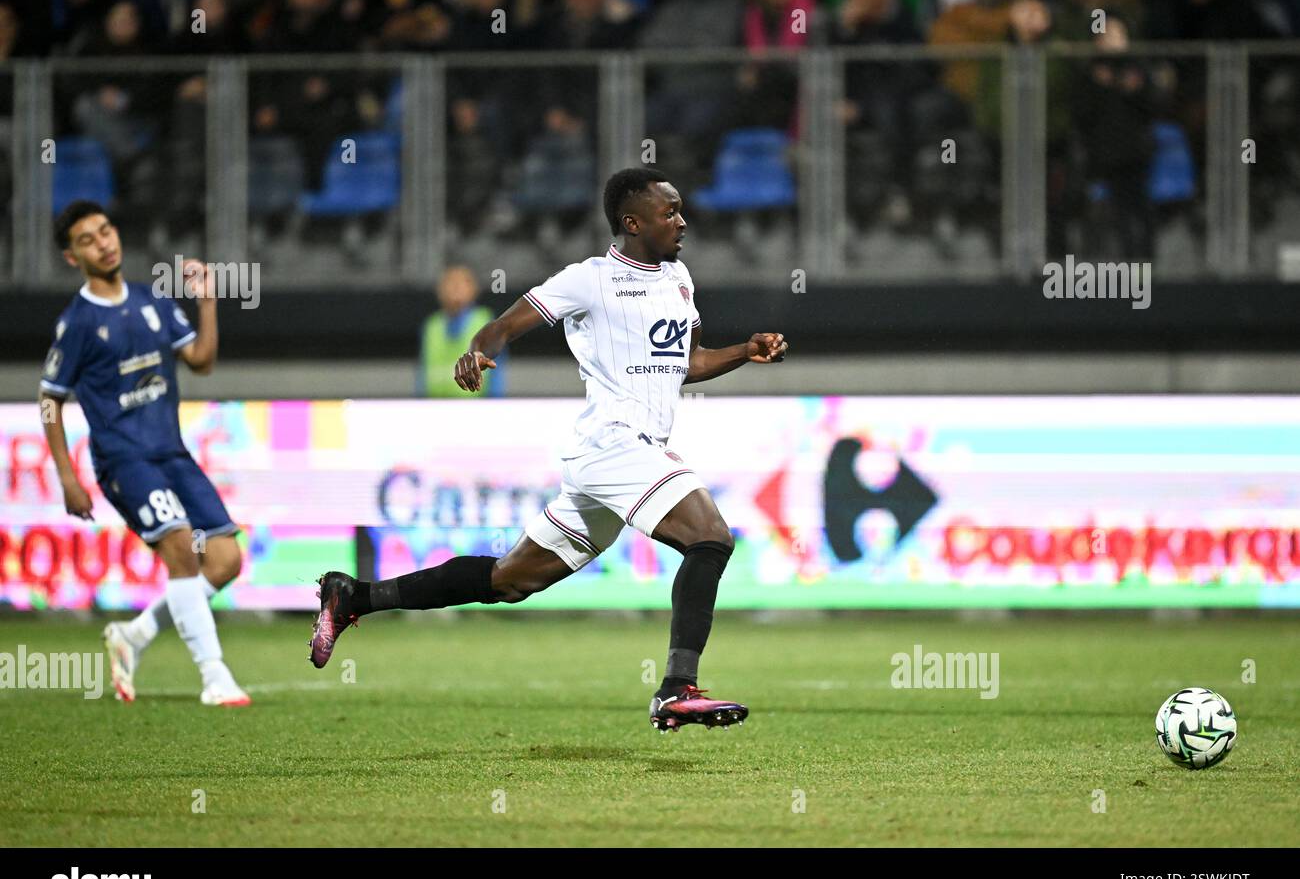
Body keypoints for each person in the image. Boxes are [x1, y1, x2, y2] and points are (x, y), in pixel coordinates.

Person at [310, 168, 788, 732]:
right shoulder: (589, 280)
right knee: (709, 537)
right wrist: (477, 350)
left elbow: (688, 364)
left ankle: (355, 596)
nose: (682, 221)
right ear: (633, 223)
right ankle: (676, 689)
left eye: (680, 210)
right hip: (614, 443)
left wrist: (745, 350)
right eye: (670, 212)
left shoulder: (679, 278)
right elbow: (505, 326)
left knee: (511, 580)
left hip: (621, 458)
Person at [39, 200, 249, 707]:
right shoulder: (78, 324)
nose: (103, 242)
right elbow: (50, 401)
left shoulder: (151, 301)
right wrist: (67, 476)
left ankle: (133, 635)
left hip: (171, 454)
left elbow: (200, 361)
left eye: (106, 230)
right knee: (179, 547)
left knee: (224, 560)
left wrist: (207, 302)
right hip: (124, 462)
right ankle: (215, 676)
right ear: (72, 257)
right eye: (87, 239)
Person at [420, 265, 503, 397]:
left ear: (474, 289)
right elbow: (423, 374)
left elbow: (497, 377)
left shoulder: (485, 321)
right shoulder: (432, 326)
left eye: (463, 282)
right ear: (439, 290)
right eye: (450, 281)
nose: (456, 287)